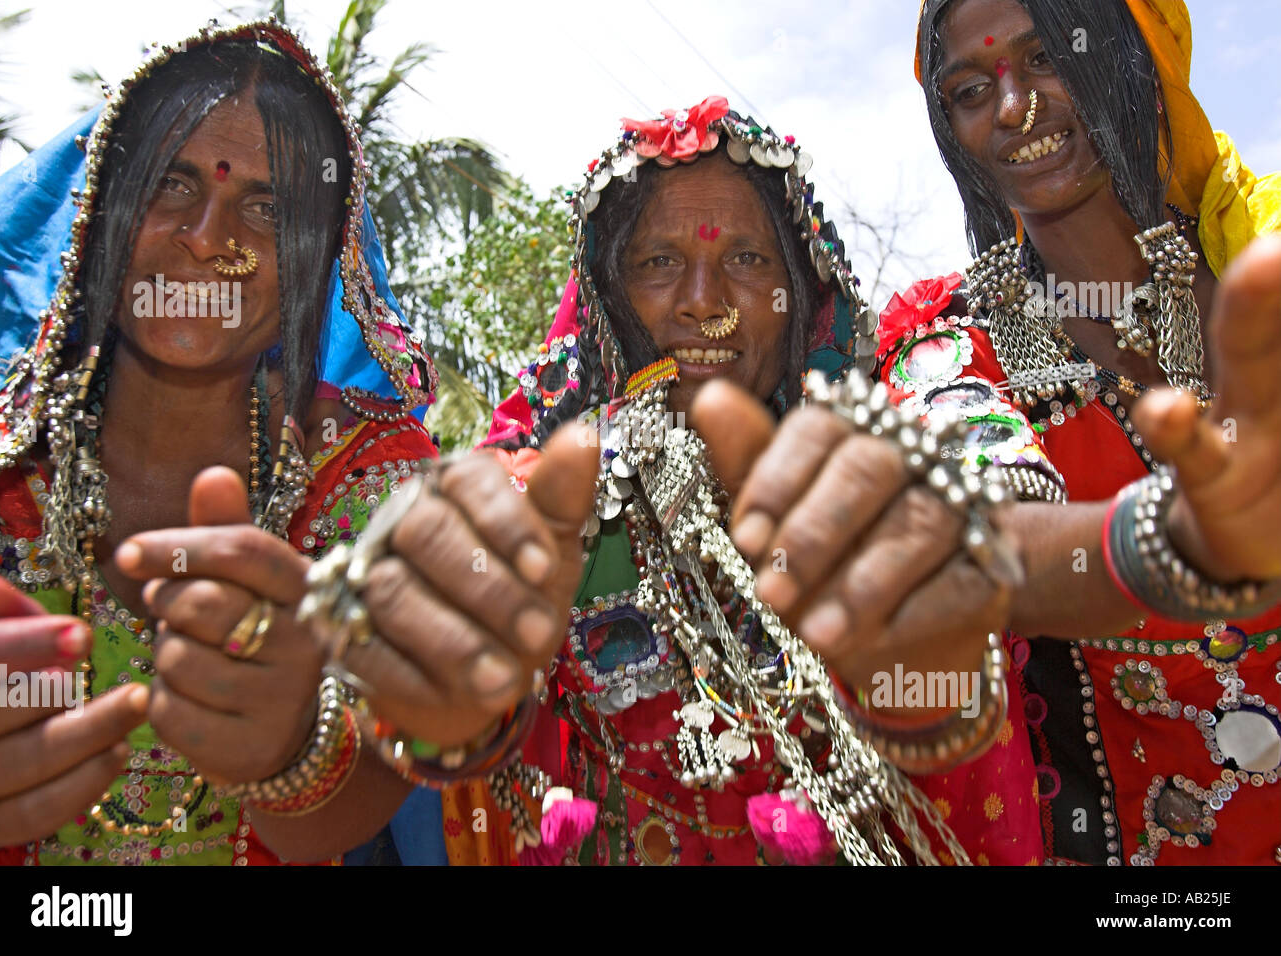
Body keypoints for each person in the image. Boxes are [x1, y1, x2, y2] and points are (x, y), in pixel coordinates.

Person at [302, 97, 1033, 865]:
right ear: (611, 297)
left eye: (747, 261)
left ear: (800, 294)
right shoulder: (544, 493)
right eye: (658, 263)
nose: (702, 303)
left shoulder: (869, 480)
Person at [0, 20, 443, 866]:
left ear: (313, 257)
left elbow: (358, 796)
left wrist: (288, 746)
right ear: (103, 219)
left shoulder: (370, 483)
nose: (208, 240)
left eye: (265, 209)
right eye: (171, 186)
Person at [897, 0, 1281, 864]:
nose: (1011, 108)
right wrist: (1168, 545)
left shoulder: (1250, 266)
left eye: (1046, 60)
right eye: (969, 88)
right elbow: (985, 535)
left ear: (1124, 59)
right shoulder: (946, 351)